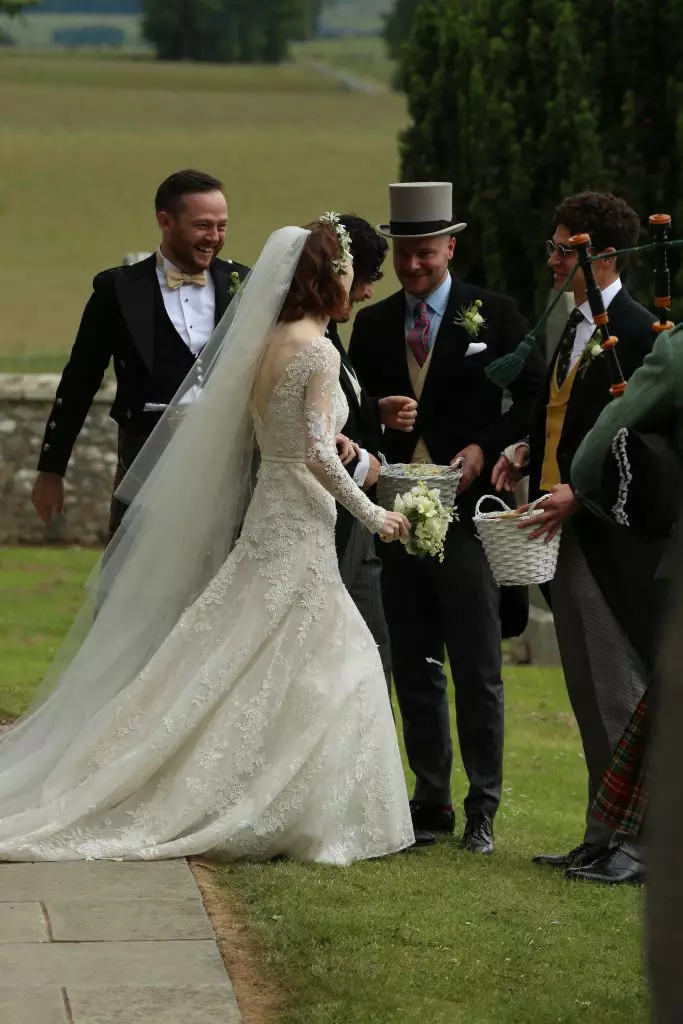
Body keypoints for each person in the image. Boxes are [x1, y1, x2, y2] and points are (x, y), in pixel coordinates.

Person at [0, 221, 421, 864]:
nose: (354, 283)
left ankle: (281, 791)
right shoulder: (319, 350)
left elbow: (279, 440)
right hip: (300, 517)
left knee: (244, 648)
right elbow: (314, 450)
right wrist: (374, 514)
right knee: (335, 655)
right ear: (325, 276)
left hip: (271, 516)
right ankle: (301, 807)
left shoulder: (265, 342)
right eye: (347, 271)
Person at [349, 181, 545, 853]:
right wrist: (378, 413)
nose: (412, 267)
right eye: (404, 255)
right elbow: (342, 412)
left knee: (476, 666)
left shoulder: (495, 315)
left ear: (449, 248)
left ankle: (482, 808)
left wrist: (483, 447)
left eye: (424, 254)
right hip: (396, 516)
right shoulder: (372, 326)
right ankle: (429, 799)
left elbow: (530, 400)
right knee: (412, 659)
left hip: (469, 523)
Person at [492, 191, 662, 883]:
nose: (554, 260)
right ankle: (601, 833)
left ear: (604, 255)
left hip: (611, 538)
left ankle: (645, 845)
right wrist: (526, 450)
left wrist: (583, 494)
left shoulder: (643, 331)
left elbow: (649, 451)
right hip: (553, 525)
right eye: (554, 247)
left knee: (621, 690)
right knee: (586, 691)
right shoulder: (573, 324)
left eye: (566, 249)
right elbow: (562, 411)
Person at [31, 169, 250, 542]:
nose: (214, 238)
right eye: (202, 226)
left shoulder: (244, 284)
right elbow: (80, 380)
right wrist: (51, 470)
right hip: (143, 460)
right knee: (129, 582)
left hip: (226, 463)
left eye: (221, 226)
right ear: (165, 221)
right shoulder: (118, 290)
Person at [326, 213, 417, 690]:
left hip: (352, 524)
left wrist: (373, 409)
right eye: (361, 280)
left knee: (373, 654)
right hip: (327, 523)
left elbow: (336, 404)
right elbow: (305, 441)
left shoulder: (327, 333)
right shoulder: (306, 342)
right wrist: (366, 466)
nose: (365, 293)